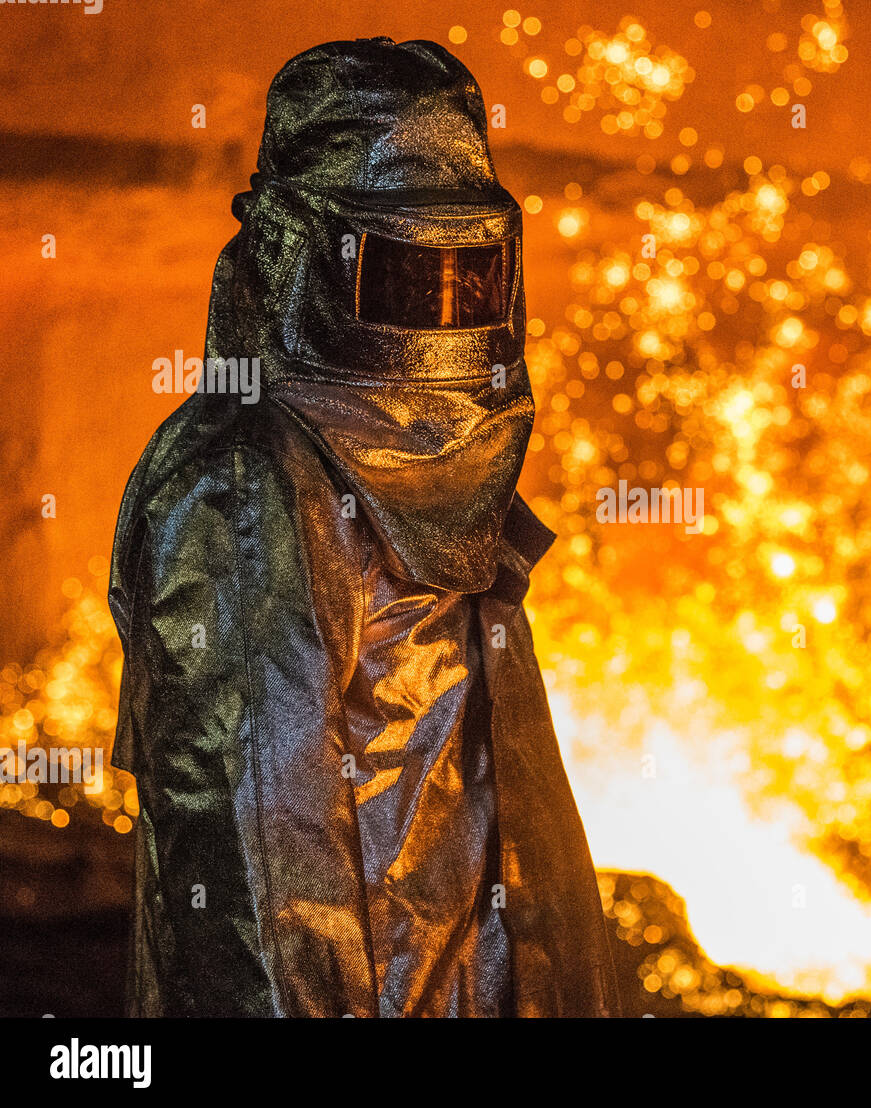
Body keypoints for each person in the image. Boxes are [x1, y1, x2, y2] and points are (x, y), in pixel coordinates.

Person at [107, 37, 619, 1017]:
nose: (440, 313)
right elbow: (258, 888)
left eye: (468, 274)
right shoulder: (245, 483)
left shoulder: (434, 466)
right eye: (403, 272)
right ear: (304, 254)